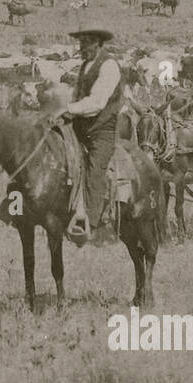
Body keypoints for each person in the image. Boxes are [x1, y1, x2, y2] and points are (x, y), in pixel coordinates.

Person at [57, 28, 124, 246]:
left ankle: (91, 225)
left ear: (97, 43)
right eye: (80, 44)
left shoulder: (109, 66)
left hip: (102, 127)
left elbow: (97, 102)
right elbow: (77, 96)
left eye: (85, 44)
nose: (81, 48)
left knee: (95, 170)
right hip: (81, 123)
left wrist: (68, 108)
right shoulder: (86, 66)